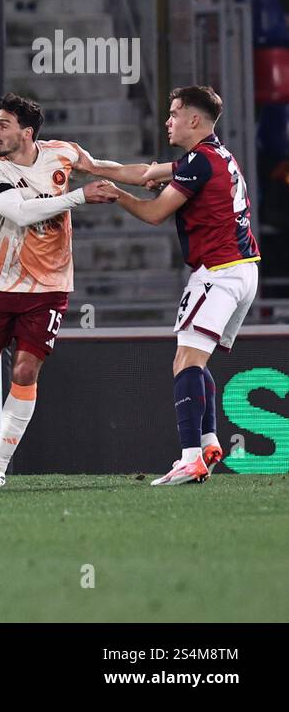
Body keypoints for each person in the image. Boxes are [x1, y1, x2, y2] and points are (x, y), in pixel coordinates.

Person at [80, 86, 259, 486]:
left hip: (220, 269)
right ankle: (209, 443)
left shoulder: (197, 162)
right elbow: (144, 173)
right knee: (196, 359)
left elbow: (154, 213)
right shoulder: (214, 155)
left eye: (175, 113)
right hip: (243, 269)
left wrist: (117, 196)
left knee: (185, 362)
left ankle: (190, 456)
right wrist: (92, 167)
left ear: (194, 120)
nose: (168, 120)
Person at [0, 93, 120, 488]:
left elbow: (103, 168)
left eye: (2, 125)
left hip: (48, 286)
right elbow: (18, 212)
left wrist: (160, 172)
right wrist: (80, 196)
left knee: (24, 370)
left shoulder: (62, 154)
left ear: (26, 132)